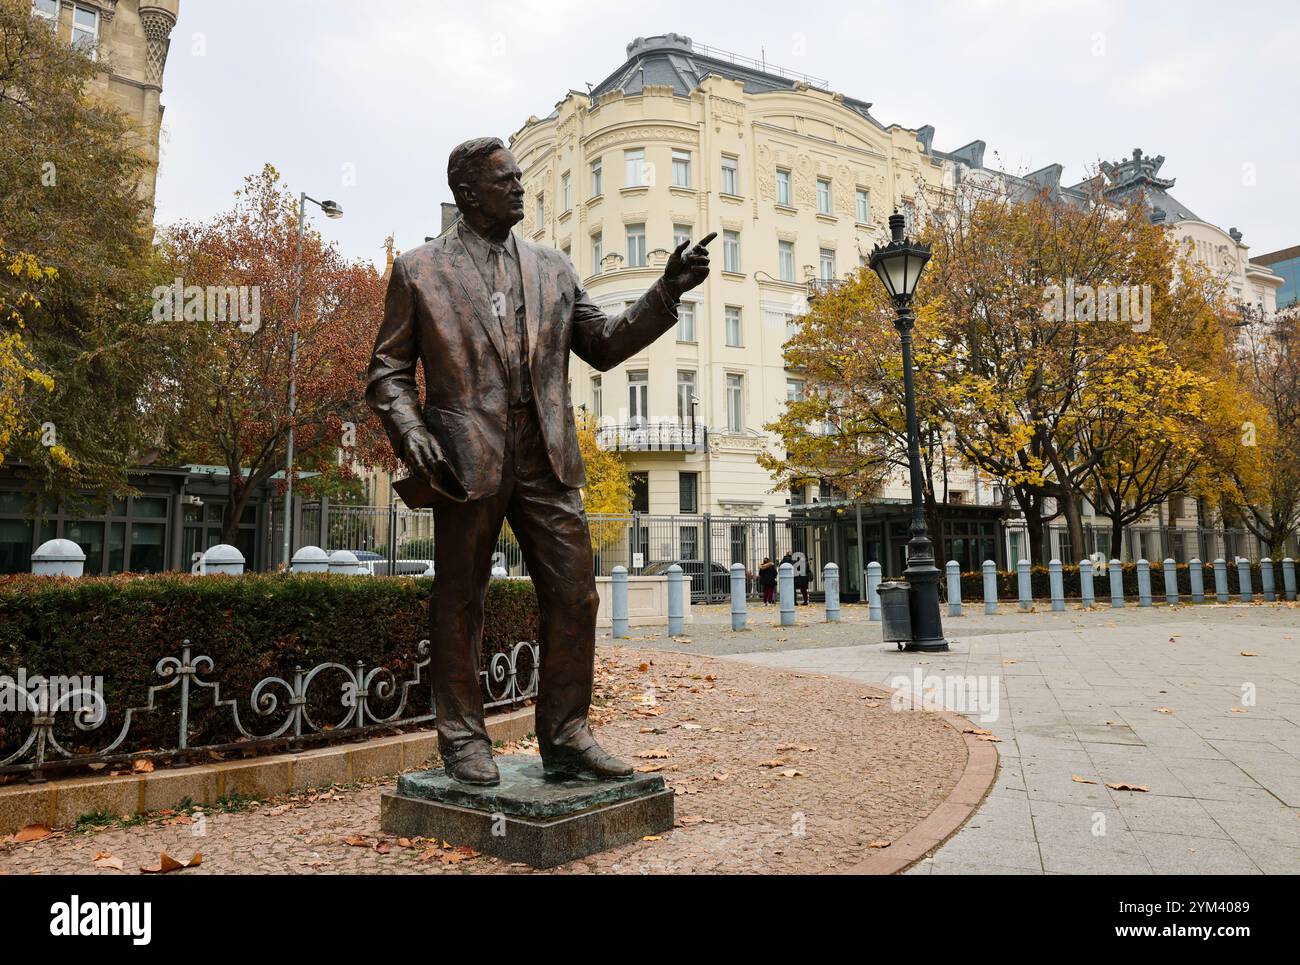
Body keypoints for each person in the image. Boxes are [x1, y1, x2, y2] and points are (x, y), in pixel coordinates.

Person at [366, 136, 714, 786]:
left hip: (545, 456)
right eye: (508, 179)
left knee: (575, 593)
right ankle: (463, 738)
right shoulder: (421, 270)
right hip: (465, 459)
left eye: (522, 176)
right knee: (460, 598)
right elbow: (386, 372)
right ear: (467, 192)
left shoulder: (554, 267)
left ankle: (566, 734)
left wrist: (665, 291)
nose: (522, 187)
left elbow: (604, 344)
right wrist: (410, 431)